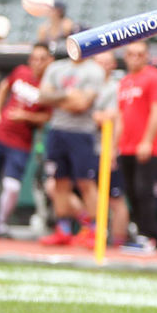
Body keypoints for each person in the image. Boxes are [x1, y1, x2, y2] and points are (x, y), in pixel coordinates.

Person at [37, 50, 104, 247]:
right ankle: (63, 230)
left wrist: (56, 98)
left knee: (85, 182)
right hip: (58, 130)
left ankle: (95, 231)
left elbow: (82, 104)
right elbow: (42, 97)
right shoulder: (56, 67)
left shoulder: (94, 70)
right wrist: (67, 95)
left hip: (82, 133)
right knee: (59, 182)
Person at [0, 43, 53, 237]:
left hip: (20, 143)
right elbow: (4, 86)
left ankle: (0, 225)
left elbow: (47, 117)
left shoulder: (49, 86)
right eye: (34, 58)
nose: (37, 63)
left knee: (12, 186)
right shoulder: (20, 71)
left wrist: (26, 116)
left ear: (49, 61)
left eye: (42, 59)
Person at [116, 41, 157, 254]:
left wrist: (147, 141)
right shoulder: (125, 81)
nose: (135, 58)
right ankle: (141, 234)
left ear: (146, 56)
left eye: (139, 54)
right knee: (131, 192)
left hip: (149, 147)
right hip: (127, 147)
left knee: (144, 191)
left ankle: (151, 237)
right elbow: (121, 116)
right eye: (131, 54)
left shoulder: (154, 77)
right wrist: (114, 146)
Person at [91, 50, 130, 246]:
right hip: (87, 148)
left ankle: (118, 242)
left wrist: (113, 149)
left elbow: (115, 118)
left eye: (107, 62)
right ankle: (92, 235)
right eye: (100, 62)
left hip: (106, 149)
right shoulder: (89, 83)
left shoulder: (116, 87)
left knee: (115, 199)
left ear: (114, 65)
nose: (103, 66)